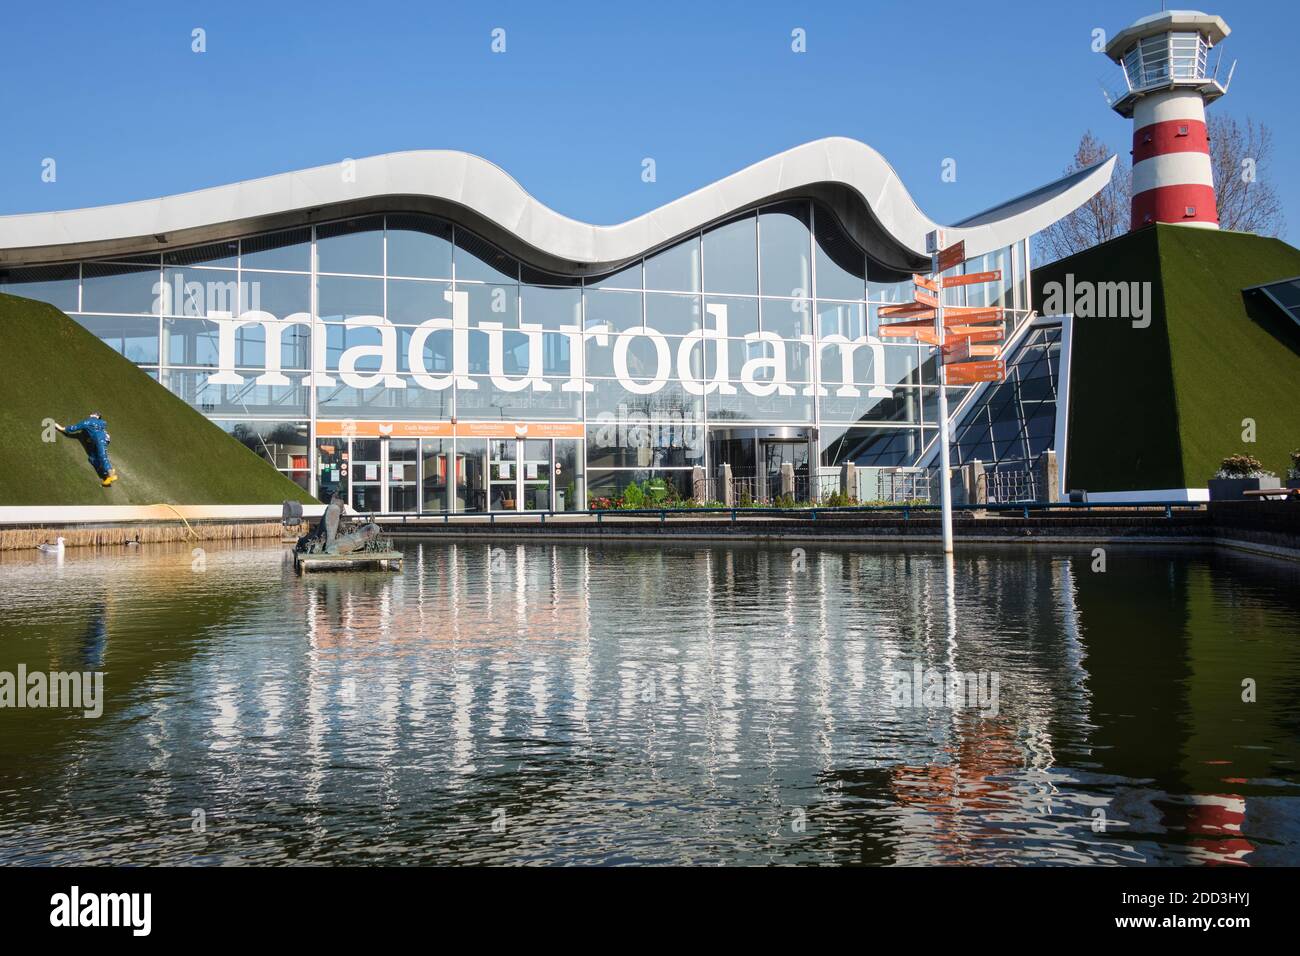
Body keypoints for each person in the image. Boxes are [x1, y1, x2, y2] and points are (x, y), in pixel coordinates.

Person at [56, 413, 118, 486]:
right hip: (103, 440)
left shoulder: (87, 422)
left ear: (95, 416)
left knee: (102, 456)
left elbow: (73, 428)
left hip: (100, 440)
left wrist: (61, 428)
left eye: (94, 414)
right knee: (92, 458)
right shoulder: (102, 422)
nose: (91, 414)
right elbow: (98, 428)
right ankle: (105, 474)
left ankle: (110, 473)